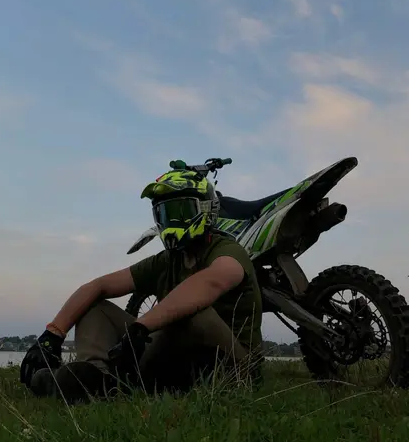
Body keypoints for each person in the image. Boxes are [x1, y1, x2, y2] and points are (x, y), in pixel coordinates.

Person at [20, 168, 263, 404]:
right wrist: (52, 335)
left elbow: (211, 281)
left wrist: (141, 327)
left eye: (181, 211)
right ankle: (98, 381)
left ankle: (121, 381)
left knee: (192, 312)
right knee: (94, 306)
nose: (172, 221)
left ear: (206, 209)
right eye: (165, 213)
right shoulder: (168, 260)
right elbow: (99, 286)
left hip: (233, 366)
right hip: (175, 356)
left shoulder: (228, 250)